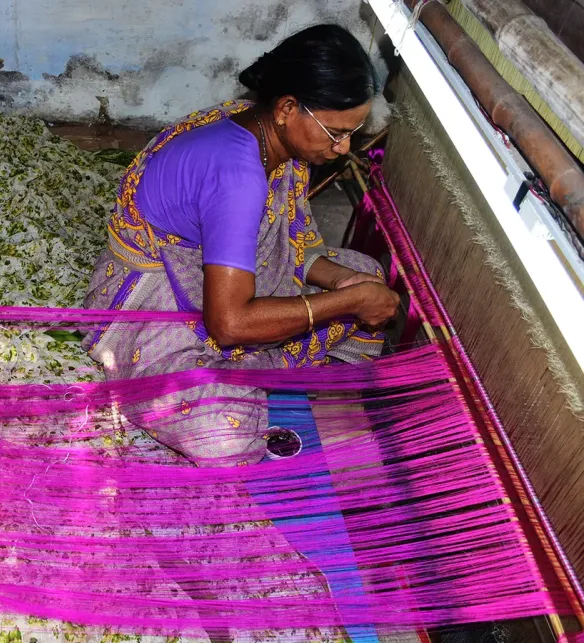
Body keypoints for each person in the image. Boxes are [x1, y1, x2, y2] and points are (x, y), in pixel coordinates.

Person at [83, 24, 400, 465]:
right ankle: (236, 378)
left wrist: (346, 282)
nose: (344, 148)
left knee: (366, 271)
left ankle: (251, 367)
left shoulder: (270, 135)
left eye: (354, 132)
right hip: (152, 298)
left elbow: (294, 246)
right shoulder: (238, 175)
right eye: (334, 132)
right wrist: (346, 304)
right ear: (289, 107)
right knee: (225, 433)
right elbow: (229, 324)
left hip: (219, 283)